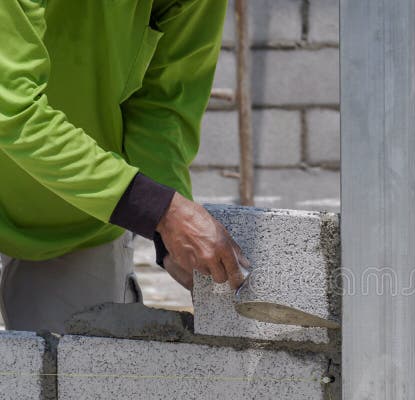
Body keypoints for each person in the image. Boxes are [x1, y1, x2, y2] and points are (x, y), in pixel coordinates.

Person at [0, 0, 247, 332]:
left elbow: (163, 105)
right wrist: (159, 210)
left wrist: (169, 231)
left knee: (82, 375)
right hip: (84, 189)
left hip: (78, 213)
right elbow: (10, 110)